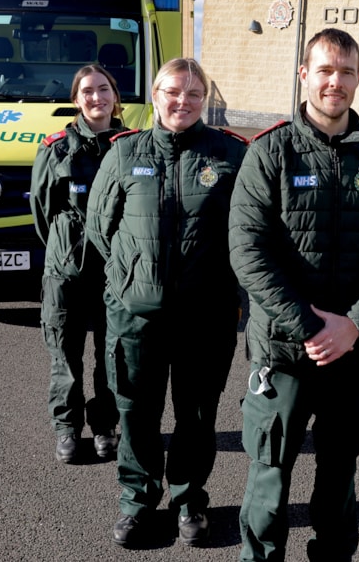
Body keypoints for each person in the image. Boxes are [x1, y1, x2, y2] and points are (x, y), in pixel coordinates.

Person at [229, 28, 359, 562]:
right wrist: (312, 328)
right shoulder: (270, 151)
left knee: (339, 479)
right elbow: (247, 251)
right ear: (304, 74)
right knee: (269, 477)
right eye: (325, 70)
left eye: (346, 71)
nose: (335, 81)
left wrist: (354, 323)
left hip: (355, 352)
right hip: (285, 353)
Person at [85, 58, 246, 548]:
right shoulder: (124, 152)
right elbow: (99, 226)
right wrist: (128, 281)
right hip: (136, 316)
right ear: (155, 95)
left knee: (197, 415)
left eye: (195, 94)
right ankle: (137, 502)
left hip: (206, 315)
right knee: (136, 413)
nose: (183, 101)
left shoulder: (229, 154)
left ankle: (189, 498)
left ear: (205, 101)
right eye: (174, 91)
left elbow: (247, 231)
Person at [31, 64, 124, 464]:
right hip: (66, 269)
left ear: (115, 96)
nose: (96, 97)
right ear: (76, 99)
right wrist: (68, 246)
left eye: (103, 89)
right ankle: (67, 429)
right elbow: (42, 212)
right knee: (64, 352)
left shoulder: (131, 145)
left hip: (116, 270)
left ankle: (104, 425)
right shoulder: (56, 148)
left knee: (112, 352)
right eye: (87, 91)